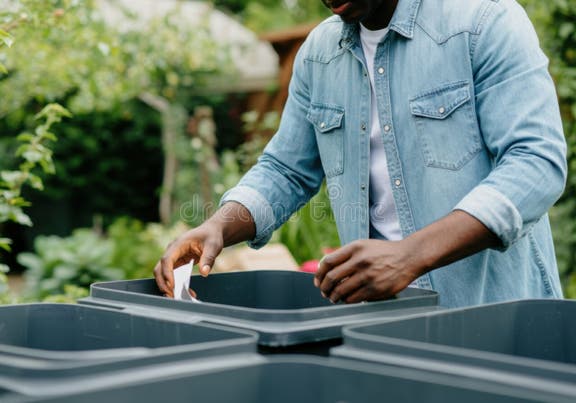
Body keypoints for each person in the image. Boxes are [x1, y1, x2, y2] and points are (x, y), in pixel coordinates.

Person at [155, 0, 567, 308]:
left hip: (496, 319)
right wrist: (218, 228)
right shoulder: (318, 54)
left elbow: (536, 162)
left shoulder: (483, 22)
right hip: (382, 331)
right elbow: (285, 170)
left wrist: (410, 255)